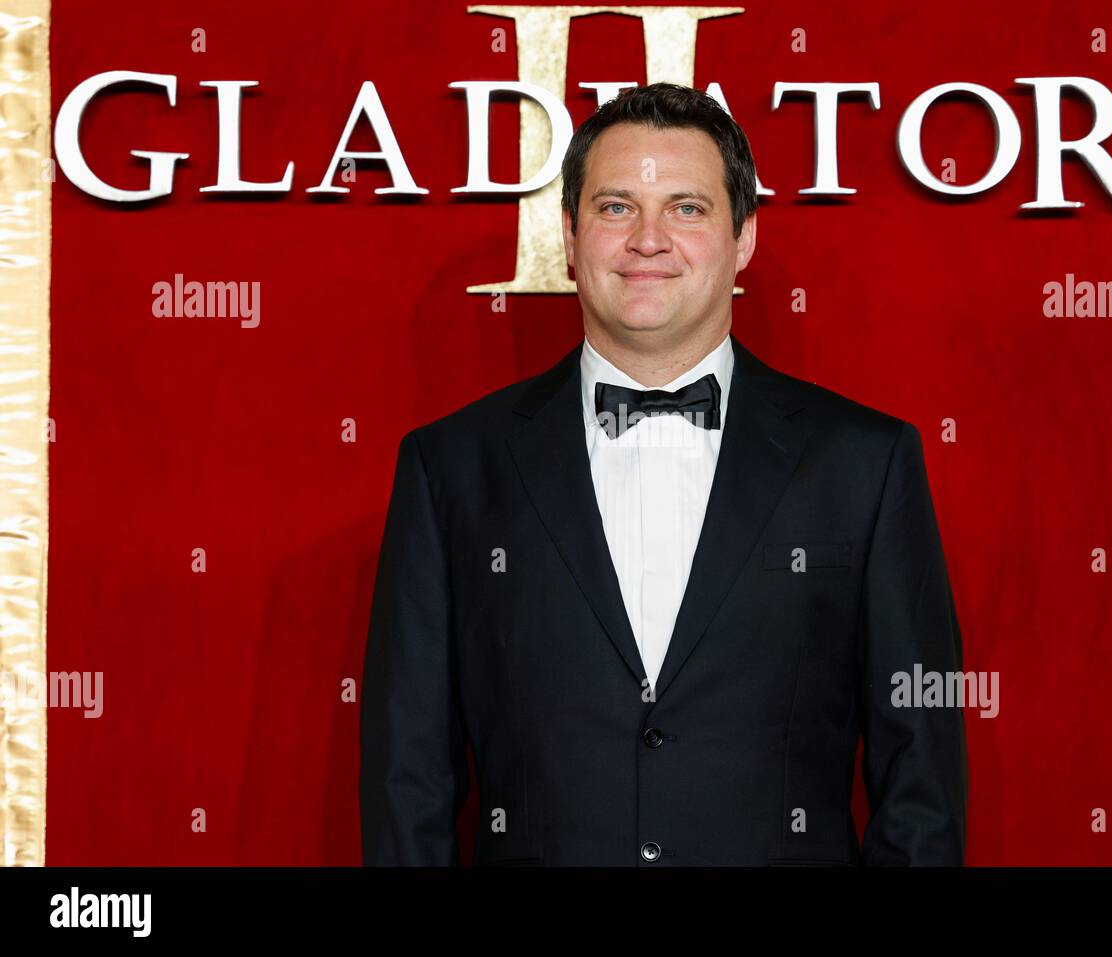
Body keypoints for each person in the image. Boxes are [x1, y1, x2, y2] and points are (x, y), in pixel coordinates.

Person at [359, 82, 967, 866]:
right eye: (615, 207)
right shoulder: (449, 470)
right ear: (570, 239)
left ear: (743, 237)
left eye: (686, 207)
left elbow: (923, 778)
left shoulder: (866, 463)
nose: (648, 238)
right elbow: (407, 782)